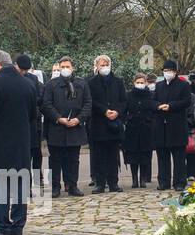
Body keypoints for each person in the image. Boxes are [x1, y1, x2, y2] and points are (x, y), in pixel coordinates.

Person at [0, 49, 38, 235]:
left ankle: (3, 227)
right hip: (21, 143)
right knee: (20, 185)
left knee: (0, 186)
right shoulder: (28, 84)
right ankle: (18, 226)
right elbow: (32, 114)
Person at [41, 55, 90, 197]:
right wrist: (58, 118)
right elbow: (46, 104)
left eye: (67, 67)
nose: (65, 69)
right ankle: (55, 187)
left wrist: (79, 119)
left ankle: (72, 185)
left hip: (75, 127)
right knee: (55, 159)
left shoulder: (81, 84)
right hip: (56, 128)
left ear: (72, 67)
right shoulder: (51, 84)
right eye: (62, 67)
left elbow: (87, 104)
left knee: (73, 159)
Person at [86, 54, 126, 193]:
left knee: (113, 155)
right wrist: (104, 111)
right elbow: (90, 102)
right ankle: (100, 183)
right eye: (101, 65)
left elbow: (123, 101)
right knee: (99, 156)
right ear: (96, 66)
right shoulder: (91, 83)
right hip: (99, 123)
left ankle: (113, 182)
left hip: (114, 124)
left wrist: (117, 112)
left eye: (106, 64)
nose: (104, 67)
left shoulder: (118, 81)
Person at [152, 60, 191, 191]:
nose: (167, 73)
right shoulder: (159, 85)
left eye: (169, 71)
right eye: (165, 70)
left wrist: (171, 106)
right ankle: (163, 181)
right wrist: (158, 106)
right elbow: (152, 101)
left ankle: (179, 182)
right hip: (161, 126)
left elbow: (186, 101)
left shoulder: (183, 85)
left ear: (175, 72)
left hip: (177, 126)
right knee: (162, 156)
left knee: (179, 157)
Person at [15, 54, 43, 183]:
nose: (23, 72)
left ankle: (38, 180)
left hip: (33, 121)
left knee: (36, 154)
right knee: (23, 156)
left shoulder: (33, 79)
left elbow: (38, 98)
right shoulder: (13, 79)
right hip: (19, 122)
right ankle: (25, 183)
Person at [122, 73, 154, 187]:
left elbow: (153, 109)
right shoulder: (128, 95)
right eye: (138, 82)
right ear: (134, 83)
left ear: (146, 83)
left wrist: (149, 119)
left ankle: (143, 179)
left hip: (146, 128)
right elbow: (123, 110)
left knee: (145, 154)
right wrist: (127, 119)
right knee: (133, 154)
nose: (140, 84)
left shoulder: (150, 95)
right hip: (132, 128)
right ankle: (134, 179)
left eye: (142, 82)